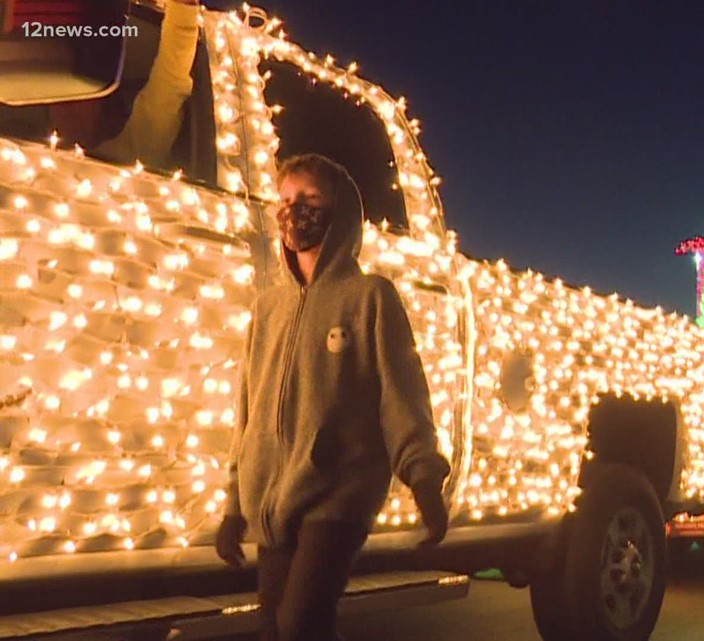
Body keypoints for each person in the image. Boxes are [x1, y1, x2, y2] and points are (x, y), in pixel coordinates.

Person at [214, 153, 451, 641]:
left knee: (300, 621)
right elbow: (248, 410)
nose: (295, 211)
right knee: (274, 625)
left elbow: (402, 395)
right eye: (286, 200)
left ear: (339, 213)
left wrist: (424, 480)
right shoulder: (268, 307)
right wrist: (234, 505)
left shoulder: (370, 298)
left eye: (311, 199)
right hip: (272, 501)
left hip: (337, 494)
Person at [48, 0, 199, 168]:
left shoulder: (134, 155)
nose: (60, 99)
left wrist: (183, 6)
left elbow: (170, 80)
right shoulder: (22, 142)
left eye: (75, 93)